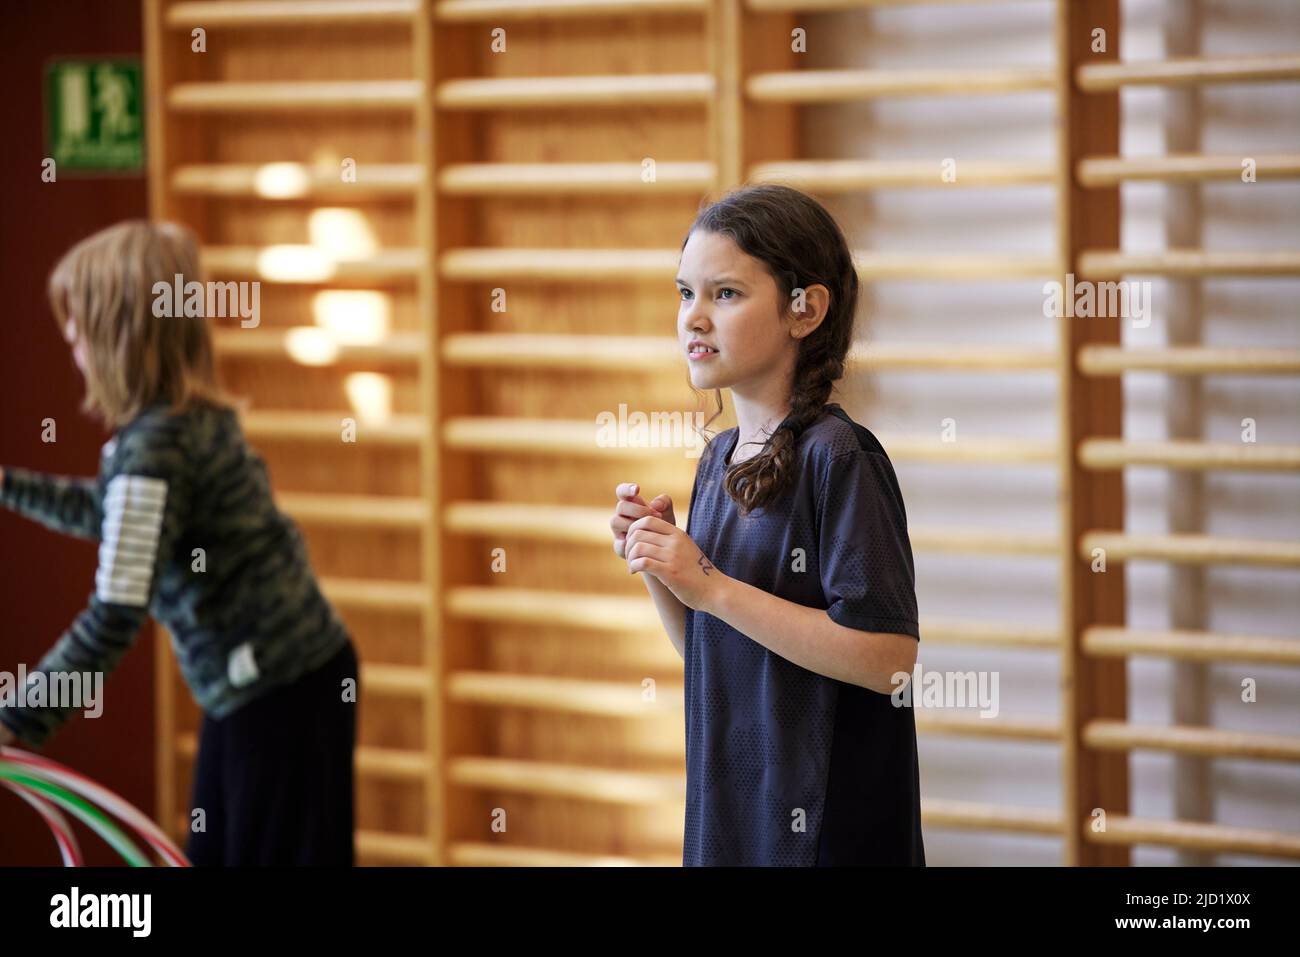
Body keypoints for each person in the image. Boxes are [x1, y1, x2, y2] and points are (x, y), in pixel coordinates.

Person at [0, 221, 358, 866]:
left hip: (280, 692)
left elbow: (113, 613)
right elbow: (119, 518)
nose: (70, 339)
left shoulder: (158, 448)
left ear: (120, 334)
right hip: (269, 686)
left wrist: (18, 720)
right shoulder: (177, 423)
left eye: (80, 323)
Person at [610, 184, 925, 865]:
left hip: (826, 834)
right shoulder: (717, 458)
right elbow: (712, 650)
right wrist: (663, 572)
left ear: (804, 310)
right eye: (683, 293)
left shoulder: (841, 457)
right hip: (733, 819)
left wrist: (711, 582)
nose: (694, 318)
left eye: (724, 294)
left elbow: (889, 661)